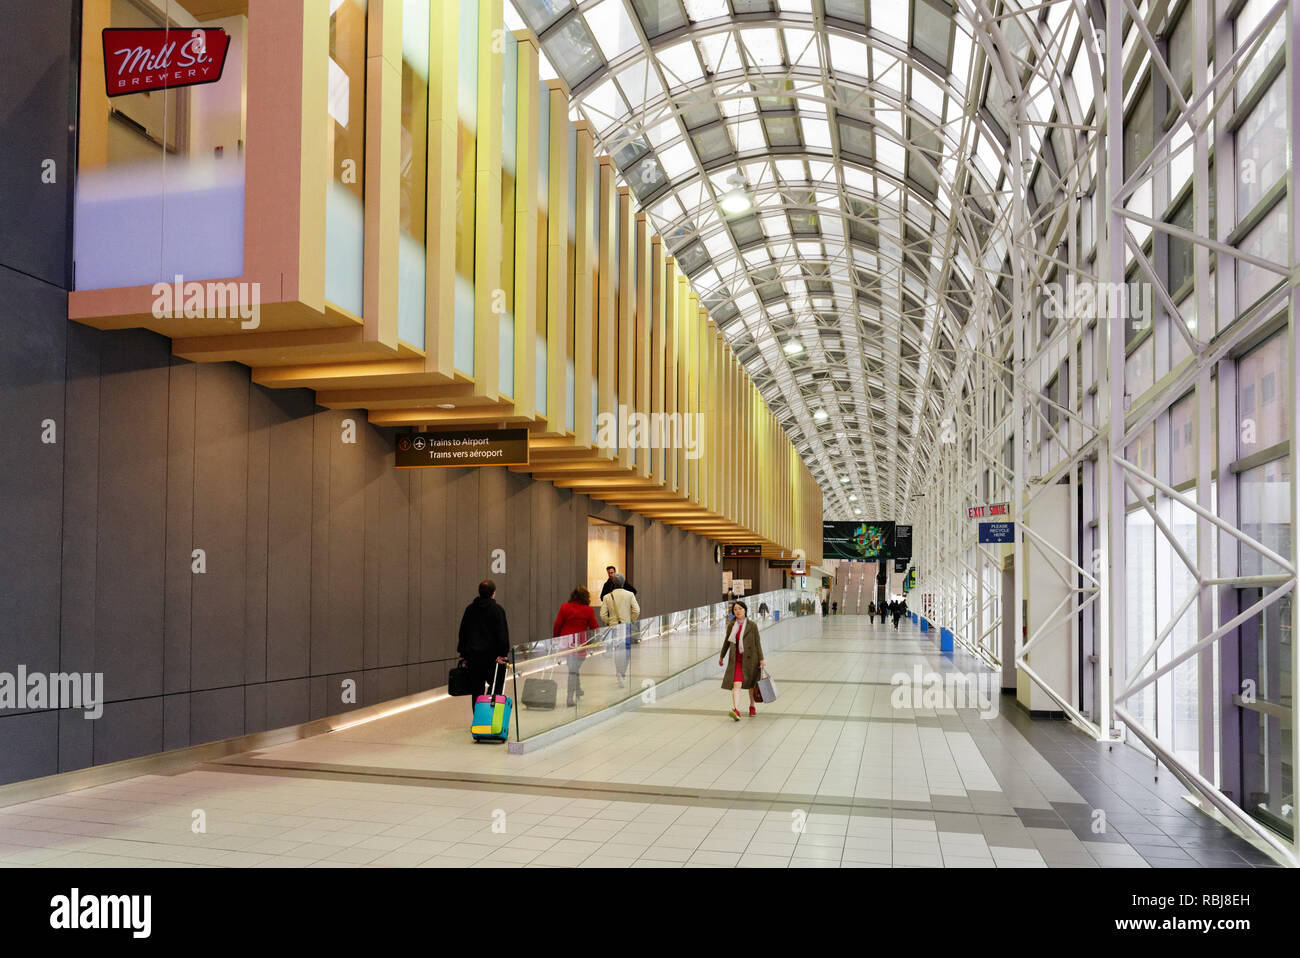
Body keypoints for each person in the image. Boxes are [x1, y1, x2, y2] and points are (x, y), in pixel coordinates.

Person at [456, 580, 510, 716]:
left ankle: (478, 720)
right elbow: (502, 635)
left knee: (476, 691)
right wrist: (503, 654)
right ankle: (490, 718)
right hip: (493, 659)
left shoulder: (470, 609)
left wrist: (463, 653)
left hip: (474, 658)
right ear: (493, 593)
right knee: (496, 687)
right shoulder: (498, 610)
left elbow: (463, 633)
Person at [553, 585, 600, 707]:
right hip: (580, 644)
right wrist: (595, 640)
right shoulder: (588, 610)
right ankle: (570, 698)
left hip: (566, 642)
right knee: (573, 670)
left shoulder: (565, 607)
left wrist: (555, 638)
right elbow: (594, 627)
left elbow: (557, 625)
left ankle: (578, 690)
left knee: (572, 668)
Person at [717, 600, 764, 720]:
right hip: (736, 660)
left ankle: (752, 706)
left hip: (751, 660)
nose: (738, 611)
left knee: (751, 685)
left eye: (740, 609)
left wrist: (761, 659)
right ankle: (736, 710)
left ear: (745, 610)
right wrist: (722, 656)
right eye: (735, 609)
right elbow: (727, 642)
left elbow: (757, 643)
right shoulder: (731, 625)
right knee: (736, 684)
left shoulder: (752, 625)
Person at [600, 574, 640, 687]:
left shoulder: (607, 597)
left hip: (614, 627)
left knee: (617, 650)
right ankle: (622, 673)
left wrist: (609, 621)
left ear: (613, 583)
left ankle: (618, 672)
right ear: (623, 583)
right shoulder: (629, 594)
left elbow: (602, 614)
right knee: (626, 651)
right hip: (625, 626)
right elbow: (636, 611)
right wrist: (630, 620)